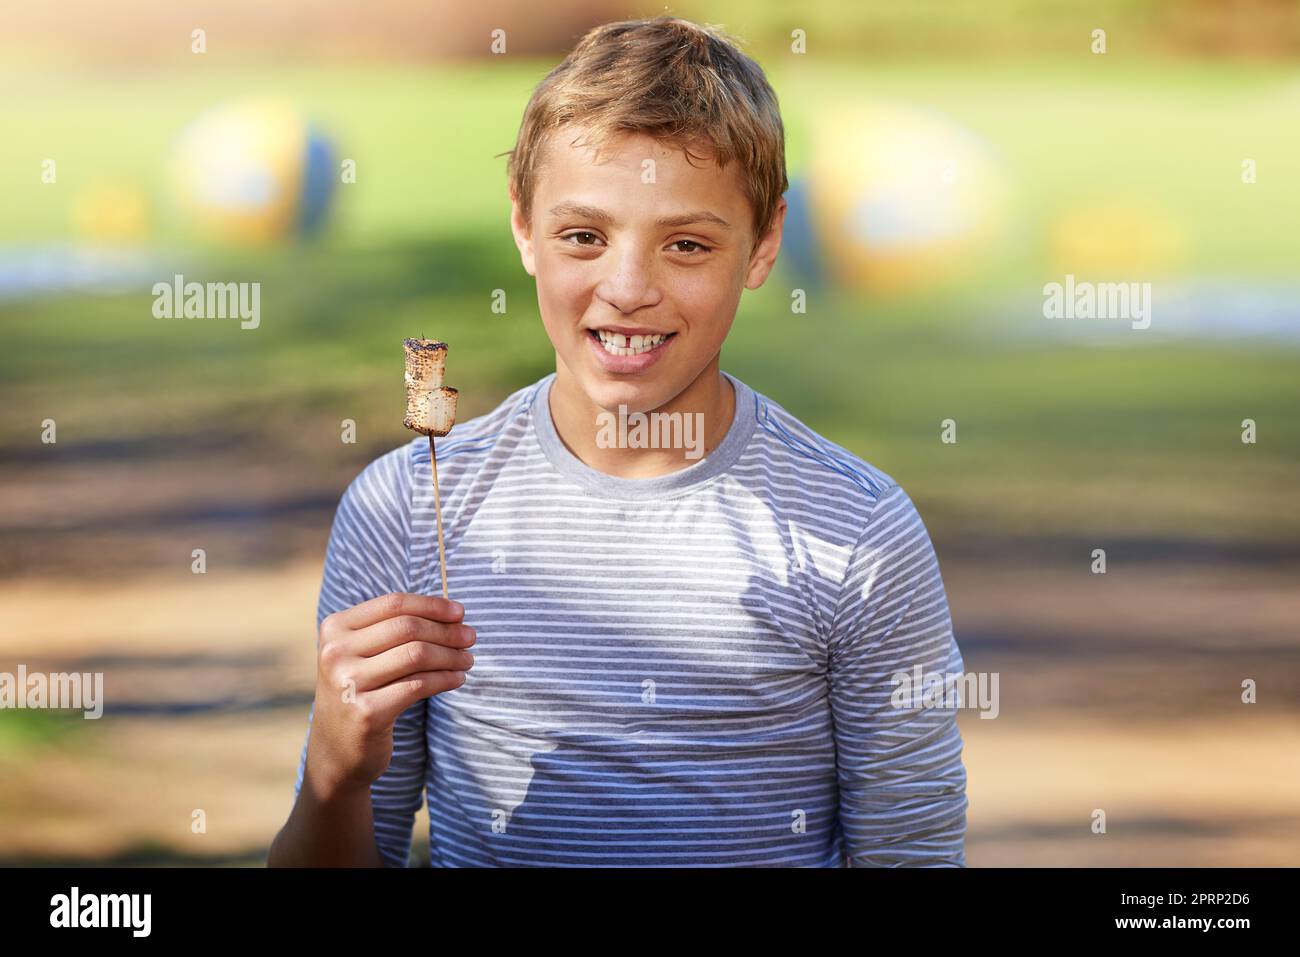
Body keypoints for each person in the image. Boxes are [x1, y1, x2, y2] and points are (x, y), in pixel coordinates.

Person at [268, 14, 968, 868]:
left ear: (766, 243)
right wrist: (334, 777)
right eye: (584, 236)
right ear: (524, 227)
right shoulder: (409, 507)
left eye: (685, 244)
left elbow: (913, 852)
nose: (628, 288)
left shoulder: (858, 531)